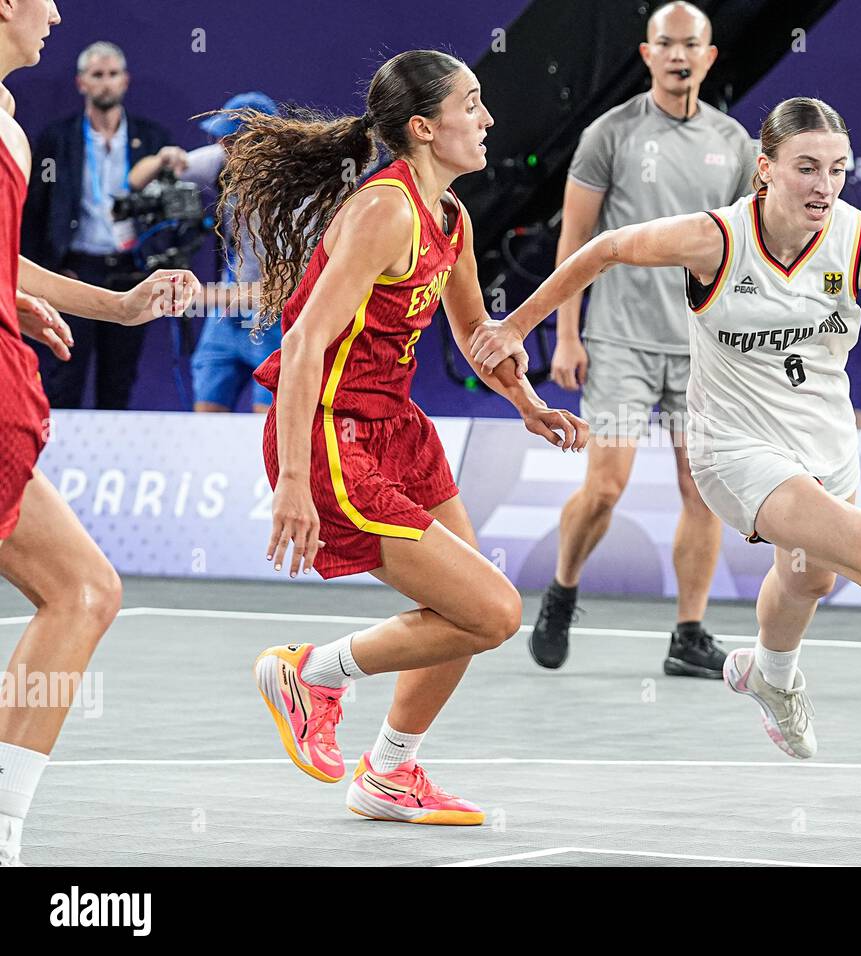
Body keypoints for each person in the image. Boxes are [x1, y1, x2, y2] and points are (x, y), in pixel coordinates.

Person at [471, 96, 861, 822]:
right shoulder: (715, 240)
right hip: (732, 451)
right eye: (806, 168)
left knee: (808, 580)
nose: (824, 185)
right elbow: (606, 248)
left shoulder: (859, 243)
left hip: (825, 448)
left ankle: (768, 673)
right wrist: (516, 324)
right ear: (765, 170)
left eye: (837, 169)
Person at [218, 50, 588, 826]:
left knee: (464, 612)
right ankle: (310, 673)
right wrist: (291, 480)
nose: (487, 120)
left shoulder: (450, 214)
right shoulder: (384, 211)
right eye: (472, 104)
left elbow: (473, 332)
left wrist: (526, 402)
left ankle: (388, 774)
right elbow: (308, 343)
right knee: (493, 612)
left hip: (397, 430)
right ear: (424, 128)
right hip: (329, 432)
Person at [0, 0, 201, 867]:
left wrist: (116, 305)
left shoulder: (6, 117)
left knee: (85, 590)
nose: (56, 12)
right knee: (84, 591)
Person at [531, 1, 757, 678]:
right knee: (606, 485)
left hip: (702, 348)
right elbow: (575, 240)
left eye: (691, 45)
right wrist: (566, 334)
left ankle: (688, 634)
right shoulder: (611, 133)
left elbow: (748, 249)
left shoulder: (736, 143)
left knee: (703, 489)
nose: (680, 55)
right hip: (622, 339)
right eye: (667, 44)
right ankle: (564, 590)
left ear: (709, 57)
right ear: (648, 52)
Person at [19, 39, 176, 409]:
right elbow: (35, 212)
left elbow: (167, 210)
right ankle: (53, 461)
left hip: (130, 270)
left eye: (112, 74)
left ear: (125, 81)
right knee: (63, 374)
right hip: (74, 269)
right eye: (97, 75)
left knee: (119, 381)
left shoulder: (151, 140)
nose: (106, 82)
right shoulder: (58, 140)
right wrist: (51, 270)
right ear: (82, 83)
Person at [131, 92, 282, 413]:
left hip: (277, 321)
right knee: (207, 424)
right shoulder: (219, 160)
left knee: (267, 430)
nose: (222, 147)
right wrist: (162, 158)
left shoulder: (297, 195)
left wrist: (195, 296)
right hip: (226, 316)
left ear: (263, 141)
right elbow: (136, 182)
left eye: (231, 140)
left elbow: (276, 293)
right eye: (220, 138)